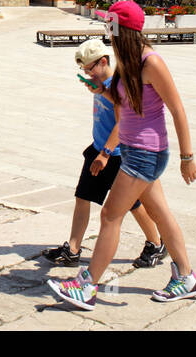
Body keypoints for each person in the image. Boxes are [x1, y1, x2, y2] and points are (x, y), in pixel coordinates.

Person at [48, 1, 196, 311]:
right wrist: (99, 88)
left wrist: (188, 157)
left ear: (123, 29)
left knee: (110, 215)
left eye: (111, 27)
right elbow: (124, 102)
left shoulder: (150, 62)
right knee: (160, 215)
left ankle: (87, 286)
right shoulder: (127, 62)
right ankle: (186, 278)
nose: (107, 32)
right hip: (135, 150)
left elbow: (177, 108)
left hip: (145, 153)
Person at [41, 37, 167, 269]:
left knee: (134, 204)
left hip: (116, 155)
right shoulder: (99, 85)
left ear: (103, 61)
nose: (88, 73)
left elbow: (123, 123)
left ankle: (156, 242)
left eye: (90, 68)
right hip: (98, 150)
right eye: (84, 70)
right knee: (83, 196)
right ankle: (73, 249)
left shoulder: (116, 86)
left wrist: (106, 153)